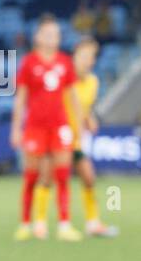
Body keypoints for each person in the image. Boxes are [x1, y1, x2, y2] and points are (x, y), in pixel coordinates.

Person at [32, 37, 117, 237]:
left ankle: (93, 223)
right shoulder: (61, 78)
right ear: (75, 57)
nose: (90, 61)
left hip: (76, 139)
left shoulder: (93, 82)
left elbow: (84, 108)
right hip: (57, 137)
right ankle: (40, 223)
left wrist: (90, 119)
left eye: (93, 57)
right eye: (86, 56)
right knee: (47, 178)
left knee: (88, 177)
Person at [12, 16, 82, 242]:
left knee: (62, 174)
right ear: (38, 37)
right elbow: (20, 99)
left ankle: (64, 224)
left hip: (59, 126)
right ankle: (26, 224)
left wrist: (78, 126)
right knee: (32, 176)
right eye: (49, 34)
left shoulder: (65, 62)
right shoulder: (29, 63)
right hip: (35, 127)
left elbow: (73, 98)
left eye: (57, 34)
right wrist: (16, 128)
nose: (54, 38)